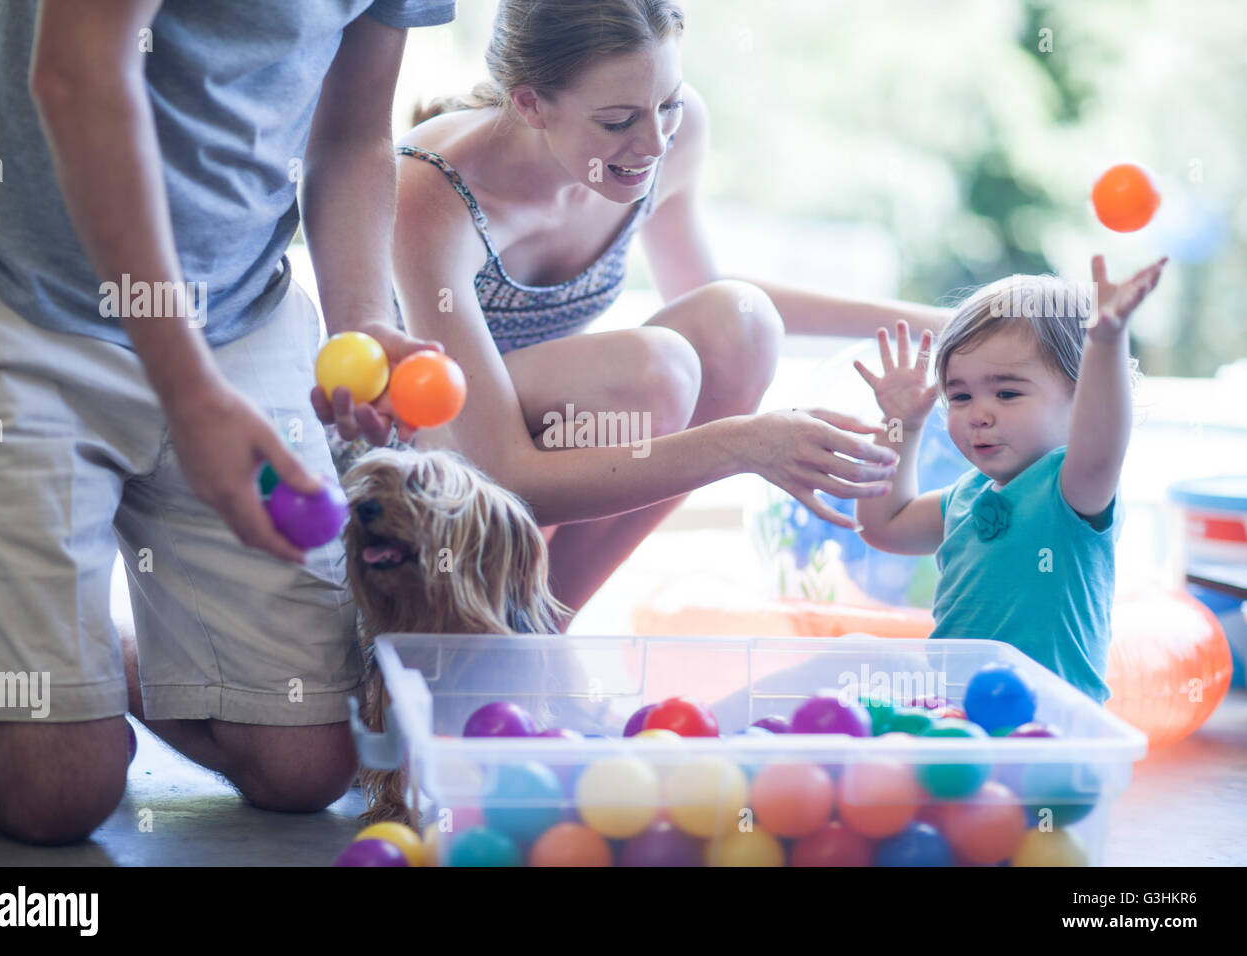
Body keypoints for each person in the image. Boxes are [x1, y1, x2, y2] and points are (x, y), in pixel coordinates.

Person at [0, 0, 453, 845]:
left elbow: (354, 134)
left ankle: (65, 665)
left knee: (307, 763)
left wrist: (361, 320)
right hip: (19, 302)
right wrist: (193, 397)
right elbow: (75, 73)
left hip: (238, 314)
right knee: (59, 795)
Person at [316, 0, 952, 624]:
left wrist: (940, 325)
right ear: (531, 103)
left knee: (744, 323)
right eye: (618, 120)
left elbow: (708, 295)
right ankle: (521, 626)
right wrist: (745, 446)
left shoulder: (671, 134)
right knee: (654, 371)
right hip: (435, 456)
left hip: (561, 434)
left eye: (668, 103)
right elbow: (507, 470)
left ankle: (542, 622)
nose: (653, 142)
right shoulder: (433, 192)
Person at [854, 256, 1166, 700]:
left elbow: (1101, 441)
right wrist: (900, 425)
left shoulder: (1072, 491)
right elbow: (882, 525)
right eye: (959, 395)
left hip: (1047, 727)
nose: (978, 414)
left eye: (1007, 392)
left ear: (1079, 397)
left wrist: (1107, 343)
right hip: (957, 719)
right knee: (859, 652)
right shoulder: (963, 497)